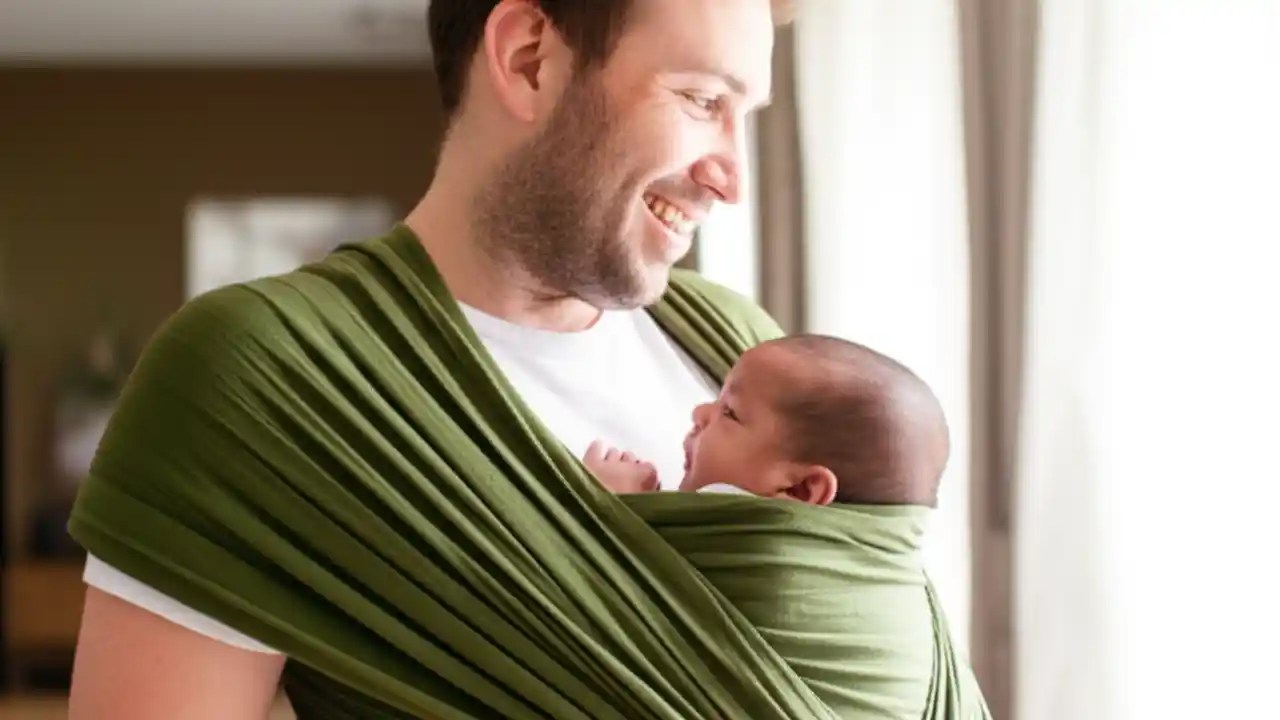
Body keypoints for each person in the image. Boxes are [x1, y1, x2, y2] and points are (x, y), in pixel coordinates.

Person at [69, 0, 787, 717]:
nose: (734, 179)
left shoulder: (740, 351)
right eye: (701, 99)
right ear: (529, 58)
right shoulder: (260, 378)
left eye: (744, 114)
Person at [585, 334, 950, 507]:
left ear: (800, 491)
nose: (700, 413)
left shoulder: (740, 556)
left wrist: (615, 508)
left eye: (729, 412)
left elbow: (639, 592)